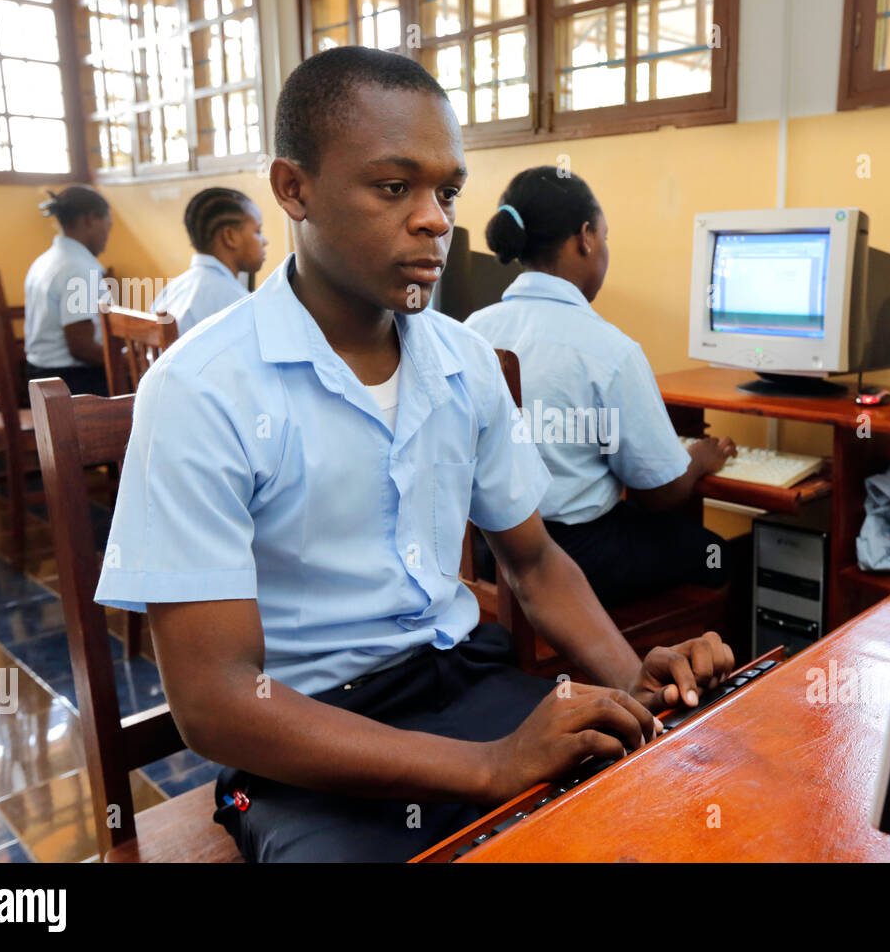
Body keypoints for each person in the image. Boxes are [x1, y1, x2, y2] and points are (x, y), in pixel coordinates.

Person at [93, 46, 735, 863]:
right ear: (294, 188)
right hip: (301, 748)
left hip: (471, 681)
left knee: (660, 813)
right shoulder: (203, 388)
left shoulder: (463, 362)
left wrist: (630, 679)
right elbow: (216, 704)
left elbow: (535, 565)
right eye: (396, 188)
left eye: (448, 191)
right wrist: (487, 766)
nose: (435, 218)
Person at [465, 167, 737, 607]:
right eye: (605, 238)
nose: (603, 250)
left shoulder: (472, 330)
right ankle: (700, 670)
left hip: (483, 552)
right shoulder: (607, 349)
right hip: (572, 559)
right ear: (586, 237)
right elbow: (659, 494)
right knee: (715, 554)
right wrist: (699, 459)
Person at [23, 185, 112, 396]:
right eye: (108, 226)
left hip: (40, 376)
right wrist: (128, 360)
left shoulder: (46, 260)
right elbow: (81, 347)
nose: (107, 237)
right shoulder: (77, 267)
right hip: (71, 381)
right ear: (90, 219)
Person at [153, 187, 268, 335]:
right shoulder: (237, 303)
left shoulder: (171, 290)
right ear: (230, 237)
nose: (265, 241)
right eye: (257, 231)